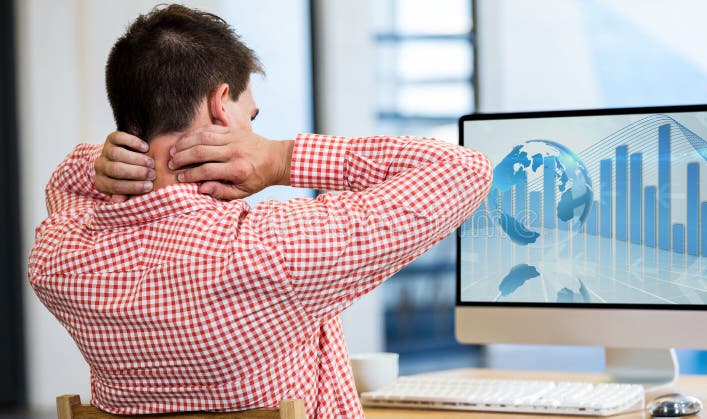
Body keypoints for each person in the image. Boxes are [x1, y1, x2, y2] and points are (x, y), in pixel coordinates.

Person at [27, 4, 492, 418]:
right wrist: (280, 158)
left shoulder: (61, 257)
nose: (253, 132)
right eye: (250, 119)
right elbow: (464, 168)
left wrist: (99, 164)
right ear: (219, 107)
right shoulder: (271, 250)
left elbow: (64, 184)